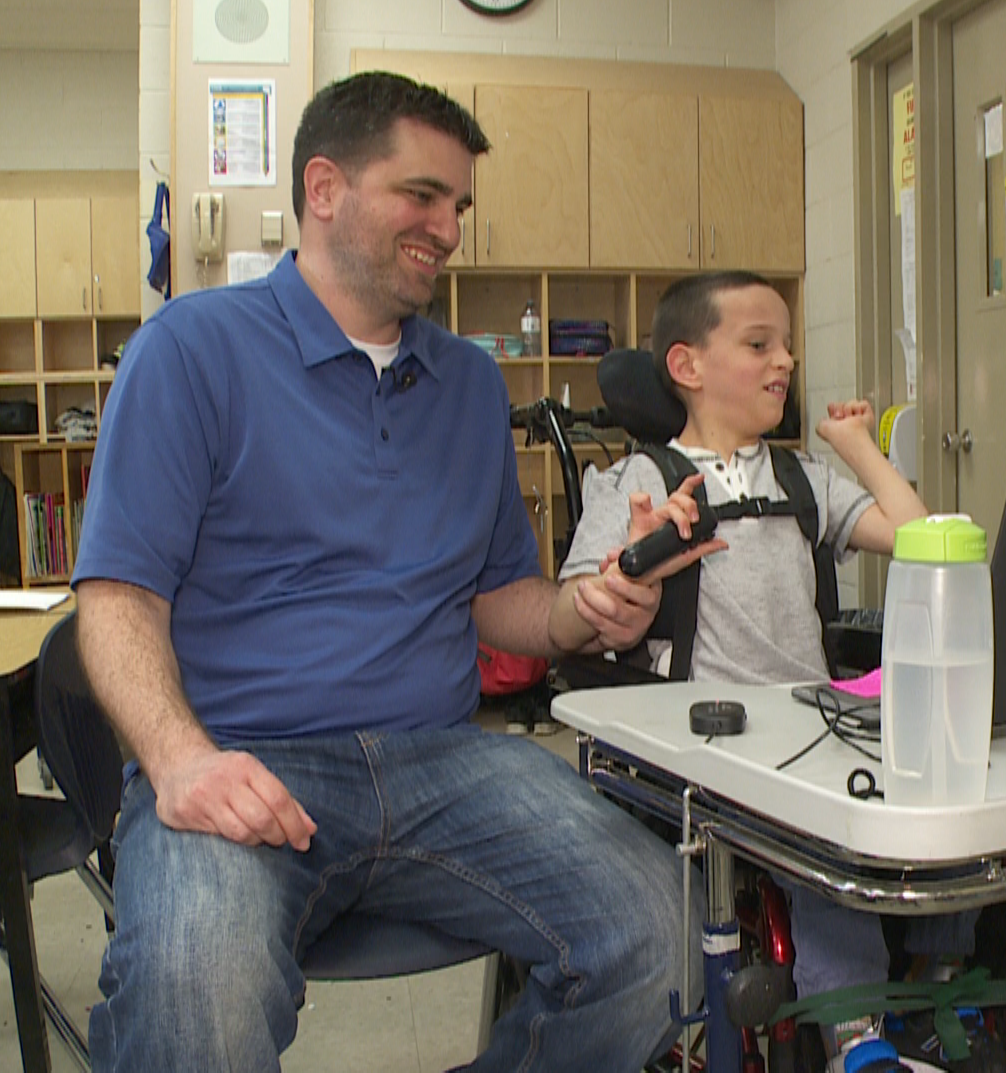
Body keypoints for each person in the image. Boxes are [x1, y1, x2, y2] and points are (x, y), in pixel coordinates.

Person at [72, 71, 711, 1073]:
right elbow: (115, 598)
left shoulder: (466, 382)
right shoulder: (189, 351)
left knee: (663, 931)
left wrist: (589, 609)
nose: (449, 227)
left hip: (440, 760)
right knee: (193, 989)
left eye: (458, 205)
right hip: (245, 753)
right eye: (423, 196)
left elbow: (503, 601)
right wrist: (178, 758)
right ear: (325, 189)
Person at [559, 272, 975, 1068]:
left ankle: (942, 981)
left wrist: (856, 447)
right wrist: (636, 564)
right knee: (822, 838)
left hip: (815, 714)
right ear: (686, 365)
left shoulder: (801, 478)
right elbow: (582, 600)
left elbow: (924, 538)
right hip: (710, 732)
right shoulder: (639, 479)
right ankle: (859, 1033)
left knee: (946, 797)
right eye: (758, 344)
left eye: (786, 344)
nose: (783, 359)